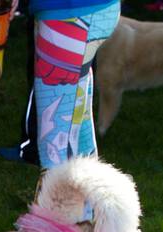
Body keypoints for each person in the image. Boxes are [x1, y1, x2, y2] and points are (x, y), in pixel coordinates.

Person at [29, 0, 121, 169]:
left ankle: (68, 195)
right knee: (78, 141)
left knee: (55, 154)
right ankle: (90, 195)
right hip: (77, 13)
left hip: (70, 14)